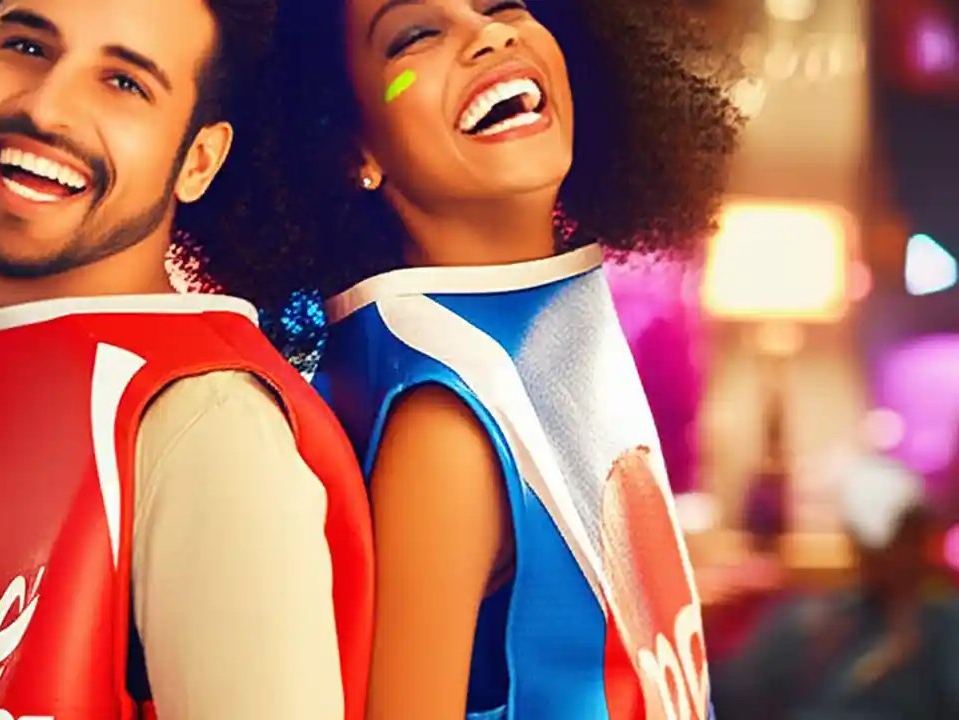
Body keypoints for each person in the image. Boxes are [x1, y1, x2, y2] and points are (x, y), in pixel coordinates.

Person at [0, 1, 372, 718]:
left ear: (198, 159)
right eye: (28, 47)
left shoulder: (204, 426)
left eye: (125, 83)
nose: (48, 107)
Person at [208, 0, 741, 717]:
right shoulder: (444, 425)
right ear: (352, 150)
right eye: (417, 35)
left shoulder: (546, 326)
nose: (490, 35)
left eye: (503, 5)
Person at [714, 455, 959, 719]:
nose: (891, 557)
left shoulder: (943, 626)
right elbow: (734, 692)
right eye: (868, 546)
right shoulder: (810, 621)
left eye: (907, 536)